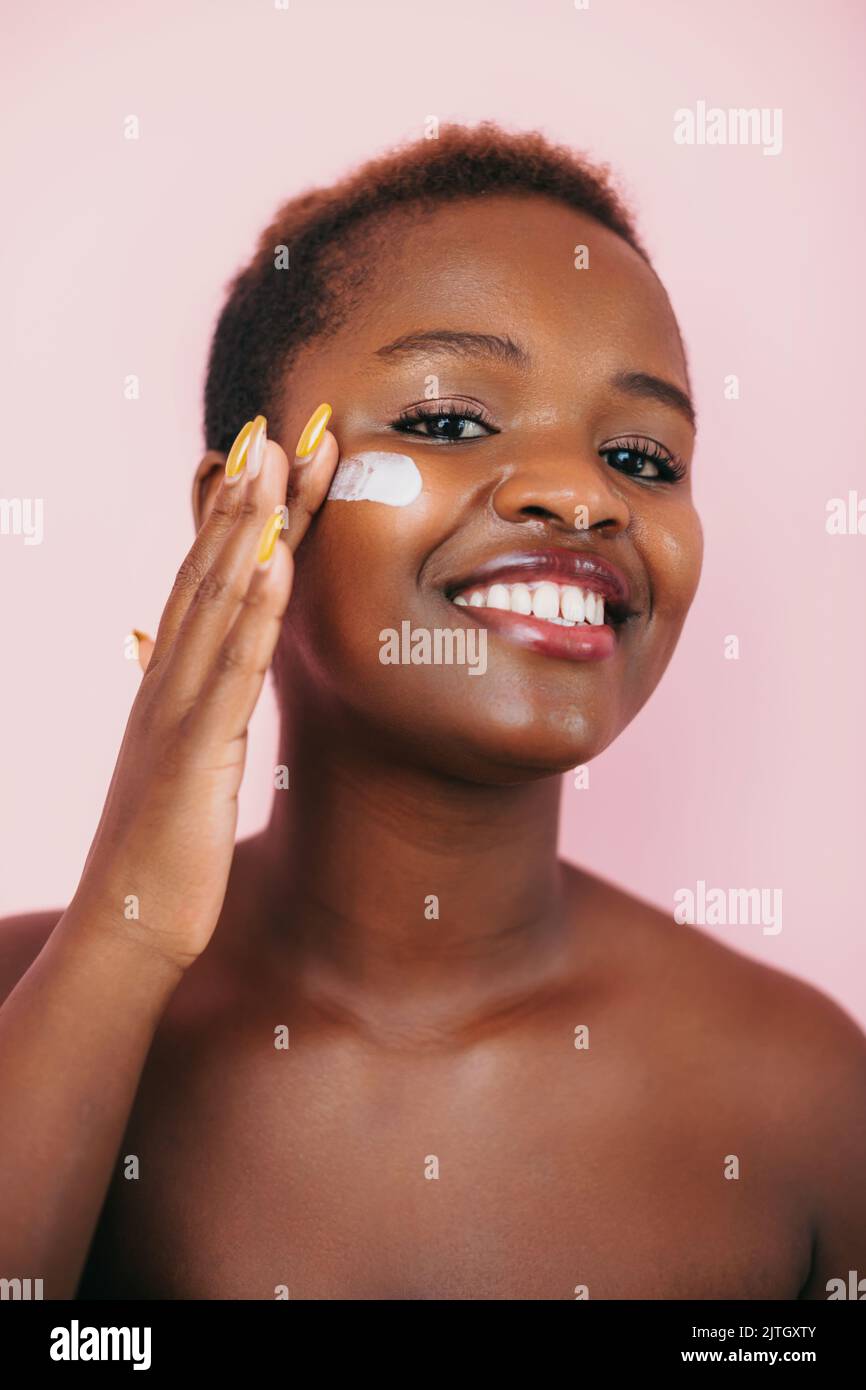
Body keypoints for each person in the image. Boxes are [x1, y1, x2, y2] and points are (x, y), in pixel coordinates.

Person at [1, 123, 863, 1301]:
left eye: (641, 456)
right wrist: (124, 936)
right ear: (248, 507)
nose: (579, 495)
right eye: (449, 421)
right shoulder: (24, 1003)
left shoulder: (805, 1094)